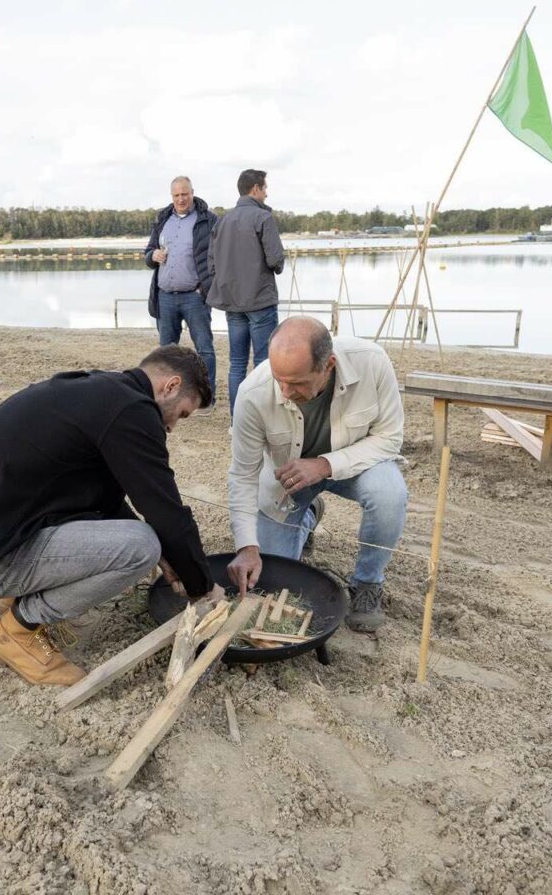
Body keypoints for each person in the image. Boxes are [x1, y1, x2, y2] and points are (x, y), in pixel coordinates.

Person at [0, 345, 218, 685]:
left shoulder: (103, 392)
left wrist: (172, 557)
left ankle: (14, 596)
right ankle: (18, 630)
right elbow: (166, 510)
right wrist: (202, 587)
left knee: (138, 539)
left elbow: (108, 500)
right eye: (181, 414)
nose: (172, 427)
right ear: (171, 386)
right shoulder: (133, 411)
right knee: (142, 548)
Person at [225, 317, 406, 632]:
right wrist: (247, 546)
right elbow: (243, 475)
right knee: (275, 579)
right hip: (288, 479)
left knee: (390, 494)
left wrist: (323, 465)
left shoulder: (372, 362)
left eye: (296, 383)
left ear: (328, 365)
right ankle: (307, 515)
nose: (285, 391)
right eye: (279, 379)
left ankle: (367, 583)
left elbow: (390, 438)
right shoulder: (252, 393)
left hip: (357, 465)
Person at [207, 168, 285, 413]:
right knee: (264, 363)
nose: (267, 193)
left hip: (232, 301)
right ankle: (263, 418)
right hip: (259, 299)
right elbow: (275, 259)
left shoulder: (222, 221)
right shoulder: (263, 218)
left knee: (237, 364)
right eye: (265, 188)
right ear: (255, 189)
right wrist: (278, 264)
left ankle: (237, 419)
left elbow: (211, 263)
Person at [144, 175, 218, 413]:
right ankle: (166, 398)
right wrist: (152, 255)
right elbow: (148, 252)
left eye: (185, 194)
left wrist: (205, 287)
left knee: (204, 349)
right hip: (165, 296)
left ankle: (206, 400)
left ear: (192, 193)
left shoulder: (208, 220)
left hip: (195, 297)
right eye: (176, 195)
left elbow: (217, 256)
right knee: (166, 352)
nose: (181, 199)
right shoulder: (162, 219)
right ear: (171, 196)